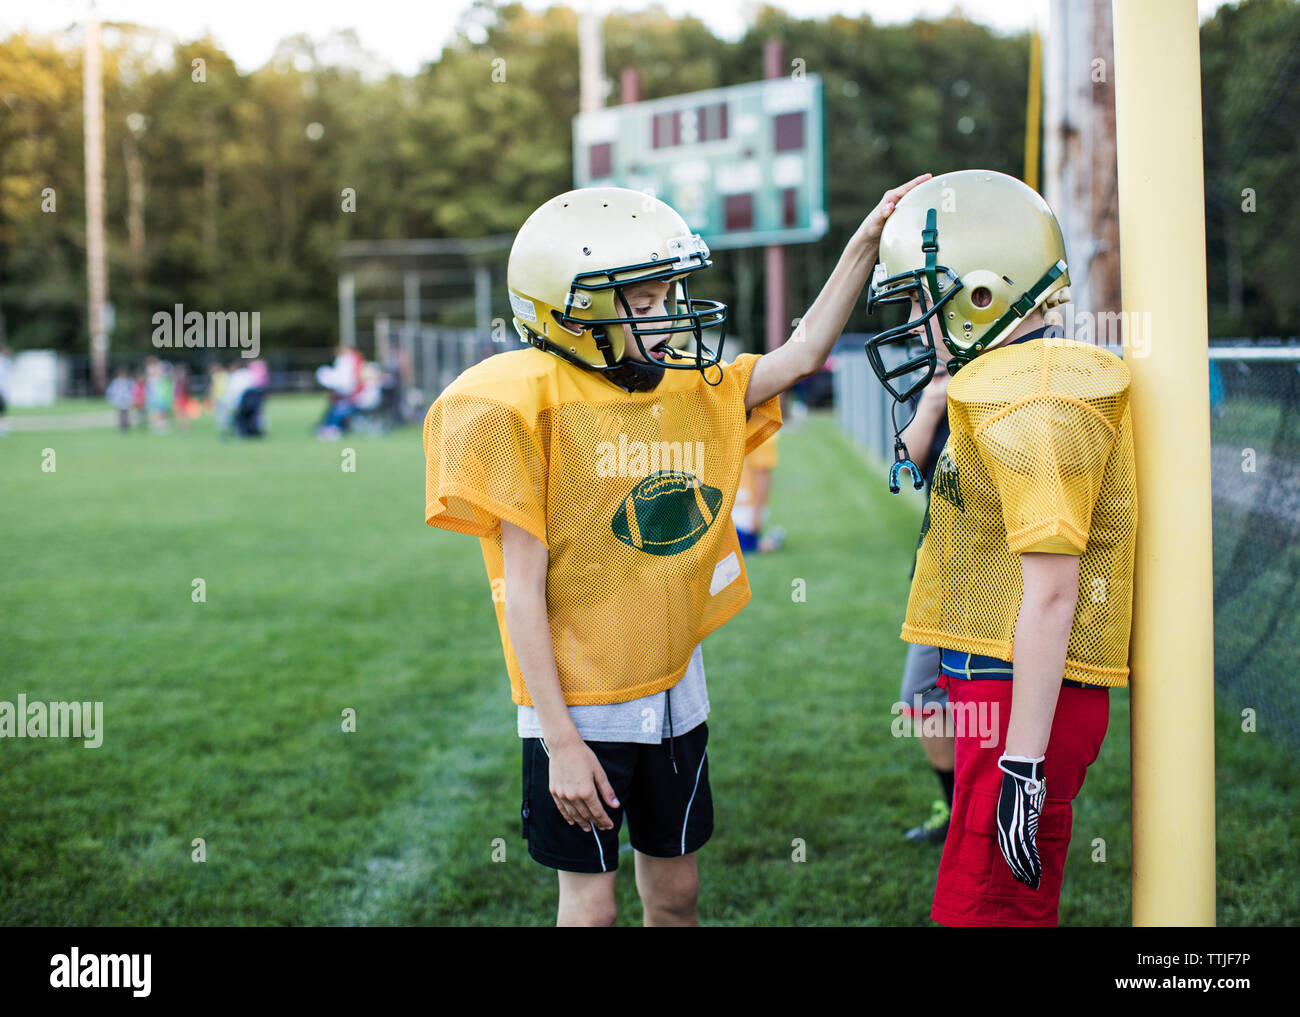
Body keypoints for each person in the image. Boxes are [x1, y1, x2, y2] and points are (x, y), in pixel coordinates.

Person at [423, 177, 929, 927]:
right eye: (648, 302)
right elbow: (520, 594)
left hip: (670, 684)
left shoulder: (686, 386)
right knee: (590, 910)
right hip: (578, 704)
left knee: (677, 895)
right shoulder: (523, 403)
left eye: (668, 297)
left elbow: (800, 354)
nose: (671, 317)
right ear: (577, 307)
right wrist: (559, 740)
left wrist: (861, 242)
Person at [863, 169, 1137, 926]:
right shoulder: (1000, 378)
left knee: (994, 912)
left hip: (1020, 694)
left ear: (982, 294)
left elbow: (1052, 593)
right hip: (995, 677)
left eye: (924, 300)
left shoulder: (1037, 402)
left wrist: (1023, 761)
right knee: (974, 900)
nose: (917, 323)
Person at [894, 364, 953, 844]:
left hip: (1005, 578)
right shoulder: (935, 385)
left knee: (992, 709)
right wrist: (933, 402)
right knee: (923, 698)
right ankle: (956, 810)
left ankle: (997, 817)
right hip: (939, 572)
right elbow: (904, 467)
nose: (918, 318)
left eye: (924, 304)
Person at [731, 434, 784, 554]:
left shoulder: (760, 433)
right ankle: (768, 541)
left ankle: (768, 543)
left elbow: (763, 476)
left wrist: (756, 518)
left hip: (744, 507)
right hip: (726, 504)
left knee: (741, 548)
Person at [106, 367, 135, 432]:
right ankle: (121, 427)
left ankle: (126, 426)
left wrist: (131, 398)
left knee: (126, 414)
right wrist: (112, 399)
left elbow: (131, 391)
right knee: (120, 414)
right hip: (119, 401)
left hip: (126, 400)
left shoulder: (128, 382)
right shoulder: (115, 382)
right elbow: (111, 391)